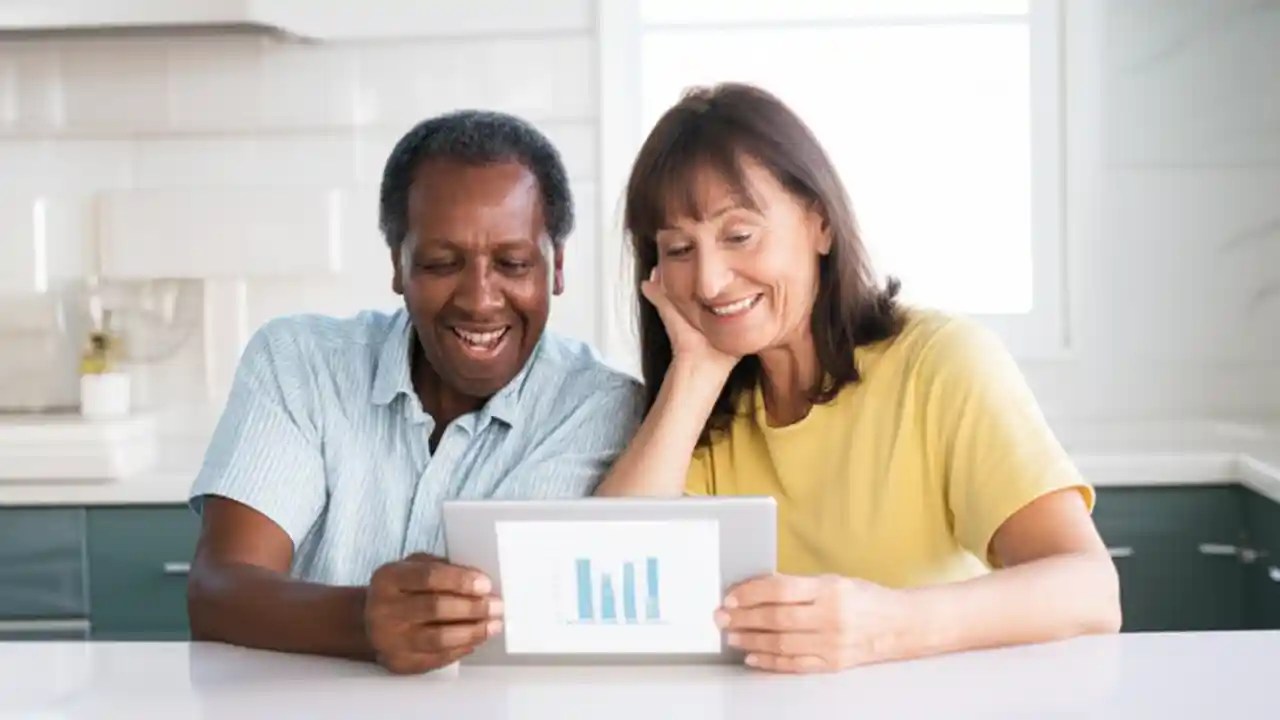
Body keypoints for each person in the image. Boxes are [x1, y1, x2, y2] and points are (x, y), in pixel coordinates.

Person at [596, 83, 1121, 673]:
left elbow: (1091, 590)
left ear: (820, 224)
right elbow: (607, 584)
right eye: (679, 249)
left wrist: (887, 626)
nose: (711, 281)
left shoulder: (939, 363)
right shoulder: (702, 413)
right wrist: (696, 368)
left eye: (738, 235)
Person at [187, 110, 642, 674]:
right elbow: (217, 589)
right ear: (398, 266)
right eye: (441, 263)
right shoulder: (298, 363)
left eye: (514, 263)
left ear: (557, 268)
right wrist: (361, 621)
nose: (480, 300)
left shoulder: (601, 408)